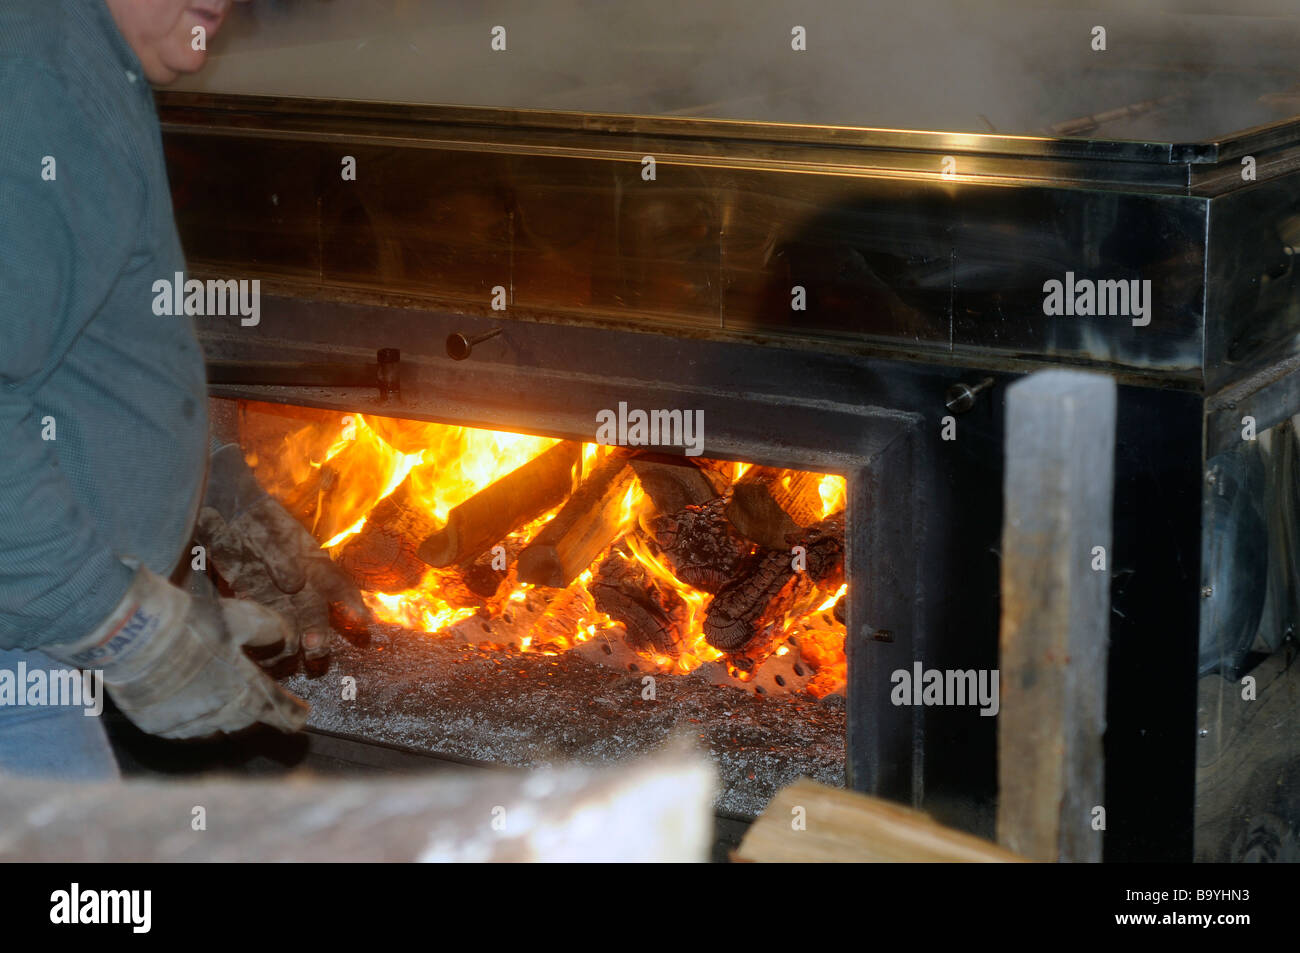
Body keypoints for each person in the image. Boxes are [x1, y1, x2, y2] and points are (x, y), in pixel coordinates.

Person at [0, 0, 368, 780]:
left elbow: (71, 356)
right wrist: (123, 625)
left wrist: (215, 494)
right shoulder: (37, 78)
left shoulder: (78, 60)